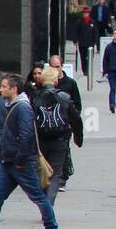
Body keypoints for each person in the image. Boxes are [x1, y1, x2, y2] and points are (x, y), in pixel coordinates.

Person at [0, 73, 59, 229]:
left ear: (14, 89)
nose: (1, 89)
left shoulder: (22, 108)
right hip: (9, 161)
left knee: (37, 196)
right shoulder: (12, 105)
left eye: (4, 86)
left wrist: (19, 160)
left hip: (21, 163)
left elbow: (26, 136)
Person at [33, 66, 83, 203]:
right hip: (60, 140)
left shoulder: (36, 97)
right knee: (55, 173)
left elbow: (30, 119)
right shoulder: (64, 97)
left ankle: (44, 203)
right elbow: (76, 119)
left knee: (43, 172)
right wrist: (78, 138)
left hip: (41, 139)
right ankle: (48, 204)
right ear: (55, 81)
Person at [72, 10, 98, 79]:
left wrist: (95, 41)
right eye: (84, 13)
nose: (86, 15)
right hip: (82, 42)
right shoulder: (79, 22)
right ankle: (85, 70)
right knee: (83, 57)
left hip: (90, 43)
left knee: (90, 57)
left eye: (87, 13)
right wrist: (75, 40)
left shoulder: (92, 22)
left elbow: (95, 32)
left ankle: (89, 68)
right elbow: (75, 31)